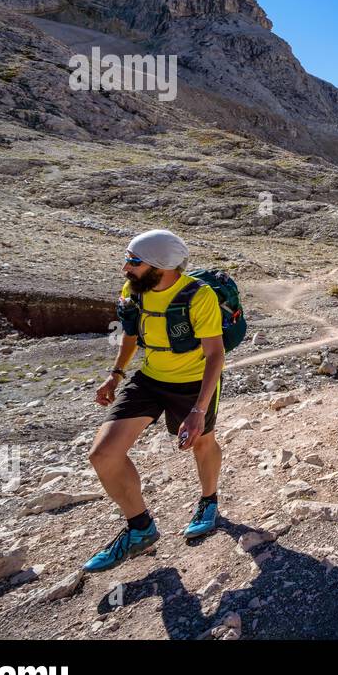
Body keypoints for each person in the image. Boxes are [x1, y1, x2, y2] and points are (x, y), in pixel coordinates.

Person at [84, 229, 225, 572]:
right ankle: (140, 528)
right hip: (148, 379)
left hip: (192, 384)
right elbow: (131, 335)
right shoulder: (135, 291)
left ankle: (209, 501)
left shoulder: (198, 296)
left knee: (201, 443)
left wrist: (198, 410)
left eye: (133, 262)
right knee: (103, 454)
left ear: (159, 266)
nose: (125, 268)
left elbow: (215, 355)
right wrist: (116, 374)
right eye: (128, 260)